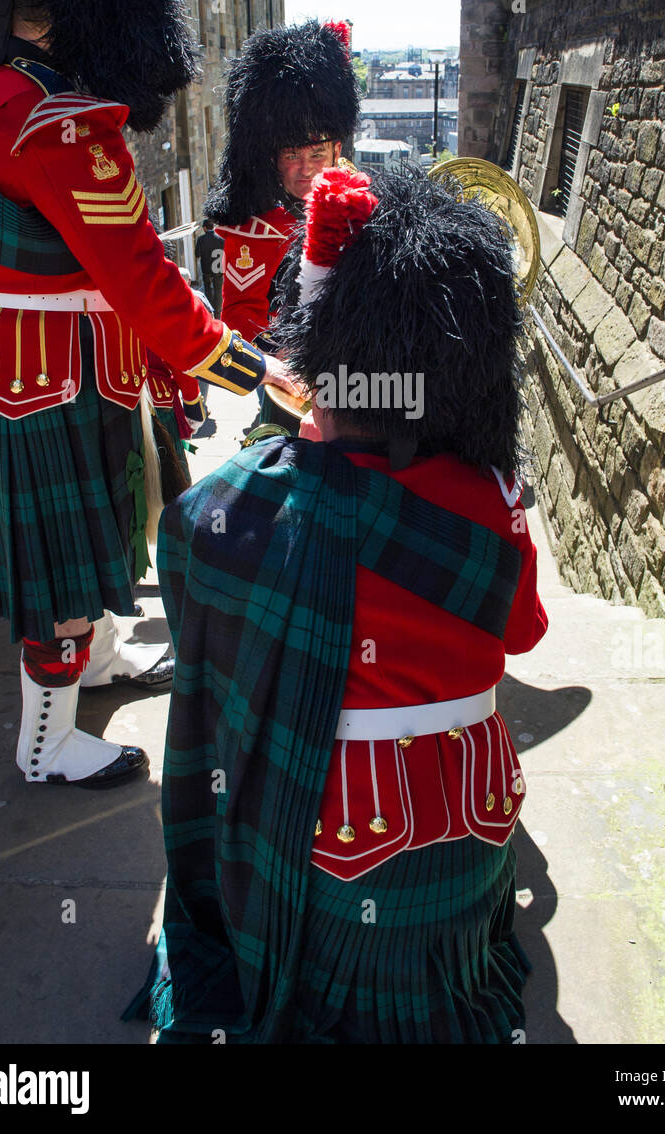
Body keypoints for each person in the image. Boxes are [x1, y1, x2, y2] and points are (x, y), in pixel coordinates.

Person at [0, 0, 294, 787]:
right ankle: (44, 743)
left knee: (85, 557)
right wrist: (252, 371)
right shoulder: (61, 127)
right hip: (62, 379)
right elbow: (147, 288)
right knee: (68, 562)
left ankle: (94, 663)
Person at [134, 165, 548, 1042]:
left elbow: (200, 614)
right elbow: (525, 632)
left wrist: (310, 423)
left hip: (320, 832)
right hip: (465, 824)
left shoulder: (232, 505)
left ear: (322, 359)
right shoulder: (492, 499)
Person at [206, 18, 360, 350]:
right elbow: (240, 318)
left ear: (337, 150)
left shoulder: (362, 206)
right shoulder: (256, 231)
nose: (305, 168)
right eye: (292, 154)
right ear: (275, 157)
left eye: (317, 153)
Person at [194, 217, 222, 314]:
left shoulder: (201, 239)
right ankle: (218, 312)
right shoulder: (220, 239)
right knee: (218, 290)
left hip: (206, 268)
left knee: (208, 289)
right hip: (218, 268)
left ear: (205, 228)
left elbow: (197, 254)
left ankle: (210, 310)